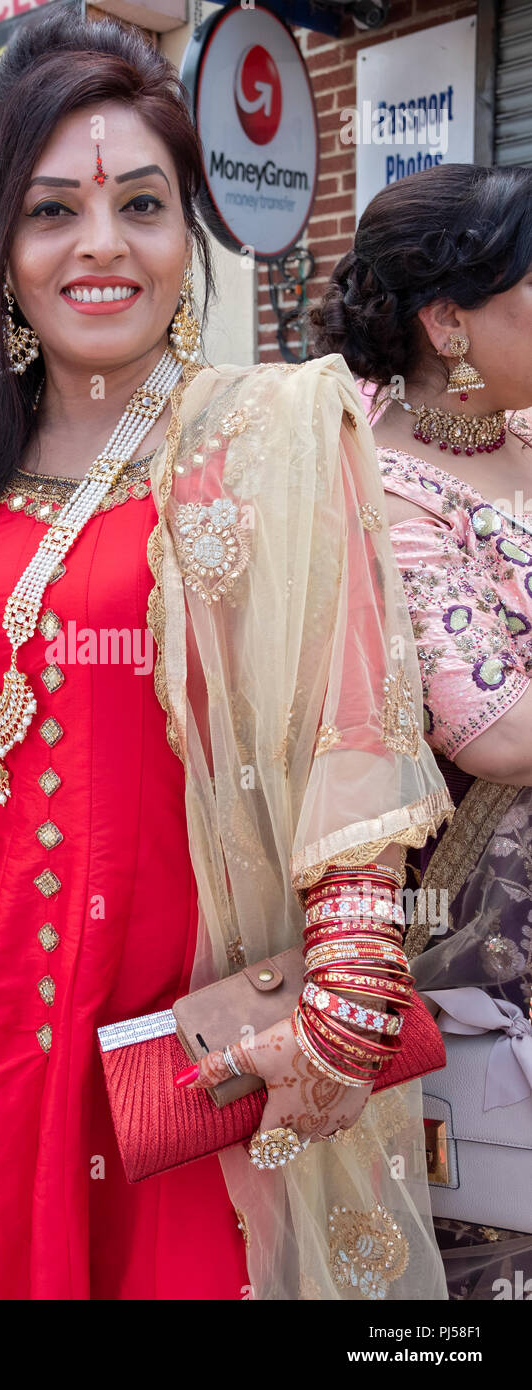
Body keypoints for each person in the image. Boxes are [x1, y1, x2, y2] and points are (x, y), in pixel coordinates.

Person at [0, 9, 452, 1301]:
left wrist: (348, 978)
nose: (101, 247)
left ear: (188, 234)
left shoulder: (268, 440)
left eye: (140, 203)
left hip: (189, 1005)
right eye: (54, 210)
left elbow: (349, 723)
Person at [311, 163, 532, 1298]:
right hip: (481, 939)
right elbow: (493, 723)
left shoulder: (520, 434)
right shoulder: (375, 483)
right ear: (447, 322)